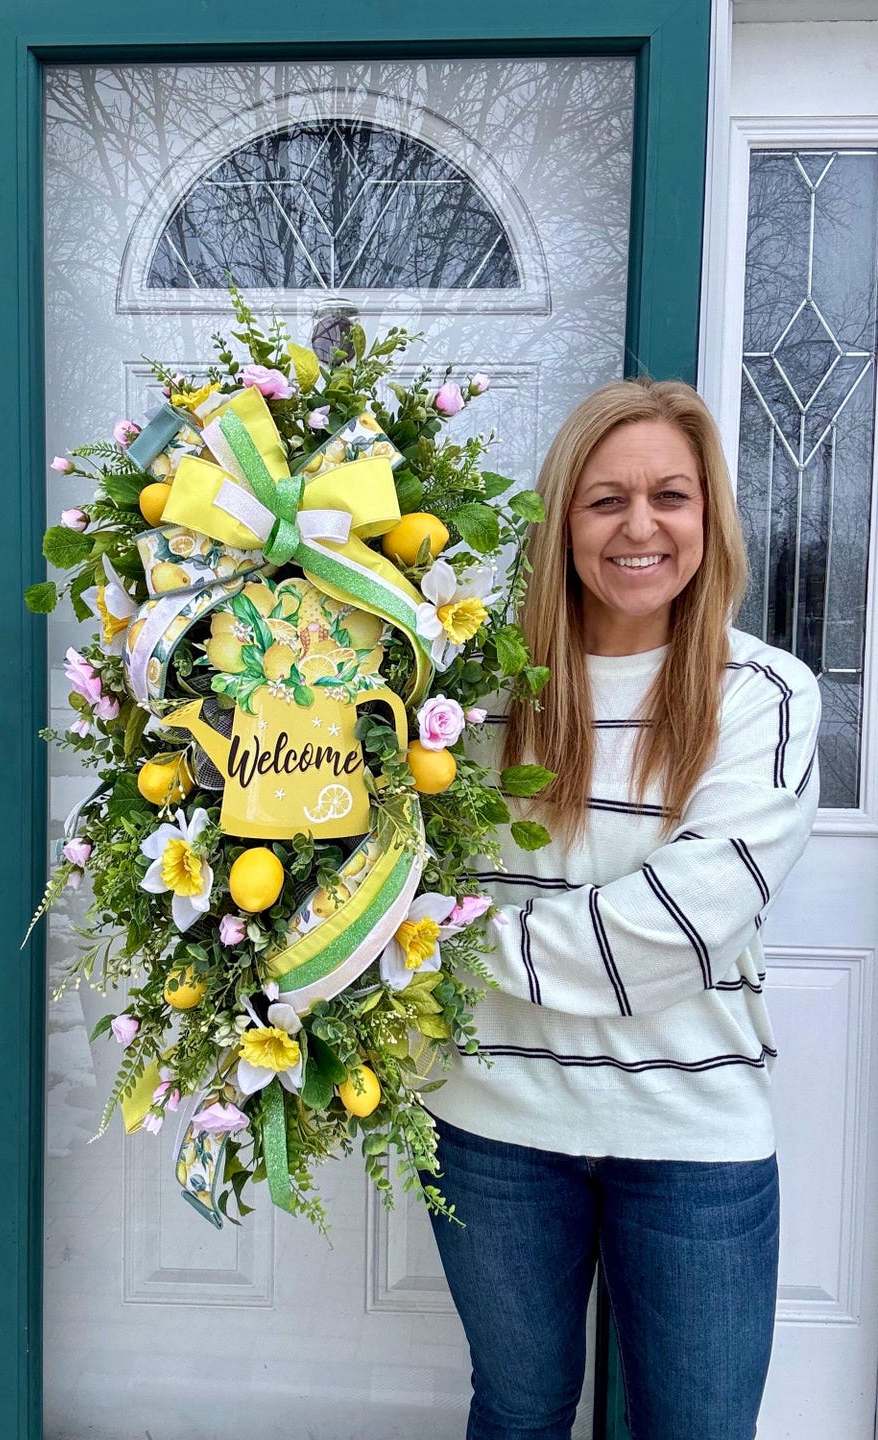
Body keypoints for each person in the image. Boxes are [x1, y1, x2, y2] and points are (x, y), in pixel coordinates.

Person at [427, 377, 821, 1440]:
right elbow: (401, 874)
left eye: (671, 496)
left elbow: (683, 920)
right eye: (606, 501)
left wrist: (441, 948)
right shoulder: (480, 699)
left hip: (693, 1139)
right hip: (497, 1127)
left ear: (709, 517)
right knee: (516, 1413)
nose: (640, 526)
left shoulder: (763, 696)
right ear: (563, 522)